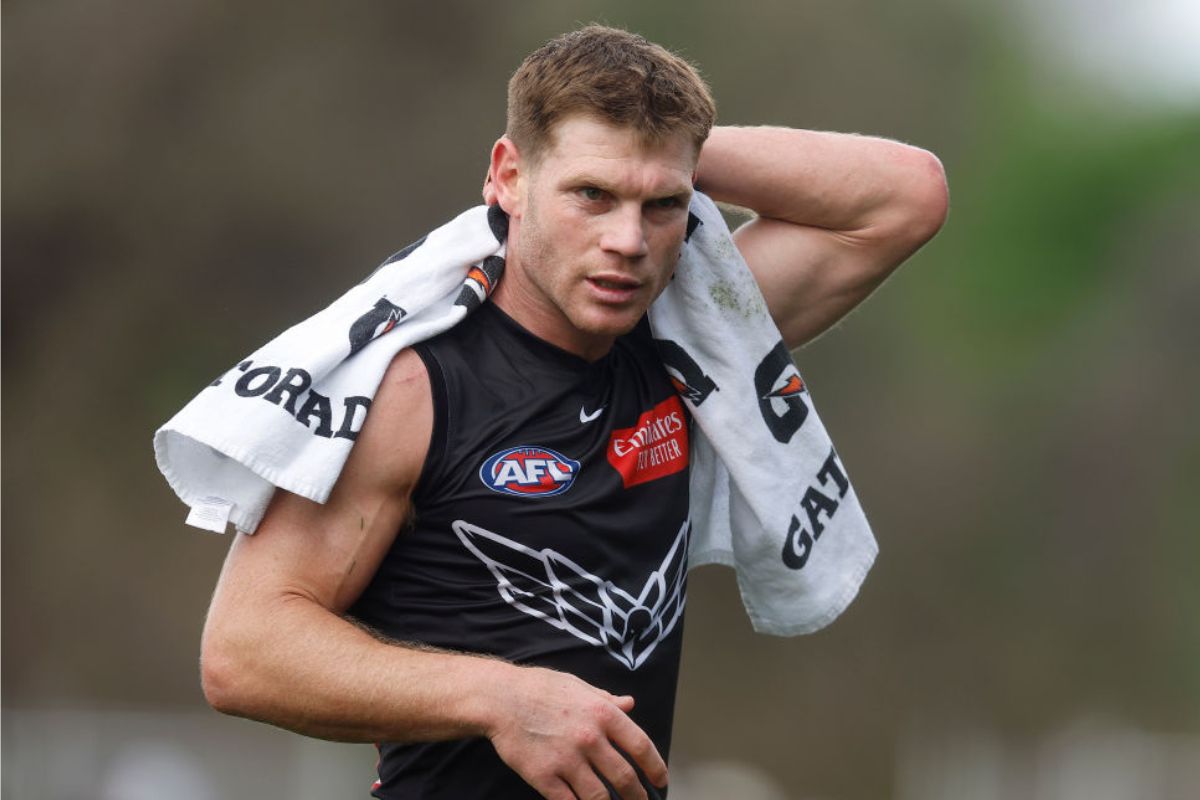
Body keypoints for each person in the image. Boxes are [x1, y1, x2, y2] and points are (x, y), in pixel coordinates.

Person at [199, 25, 948, 800]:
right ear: (509, 176)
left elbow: (905, 197)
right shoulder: (417, 389)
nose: (629, 240)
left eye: (663, 204)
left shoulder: (685, 341)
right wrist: (501, 700)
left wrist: (670, 148)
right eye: (591, 194)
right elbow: (244, 650)